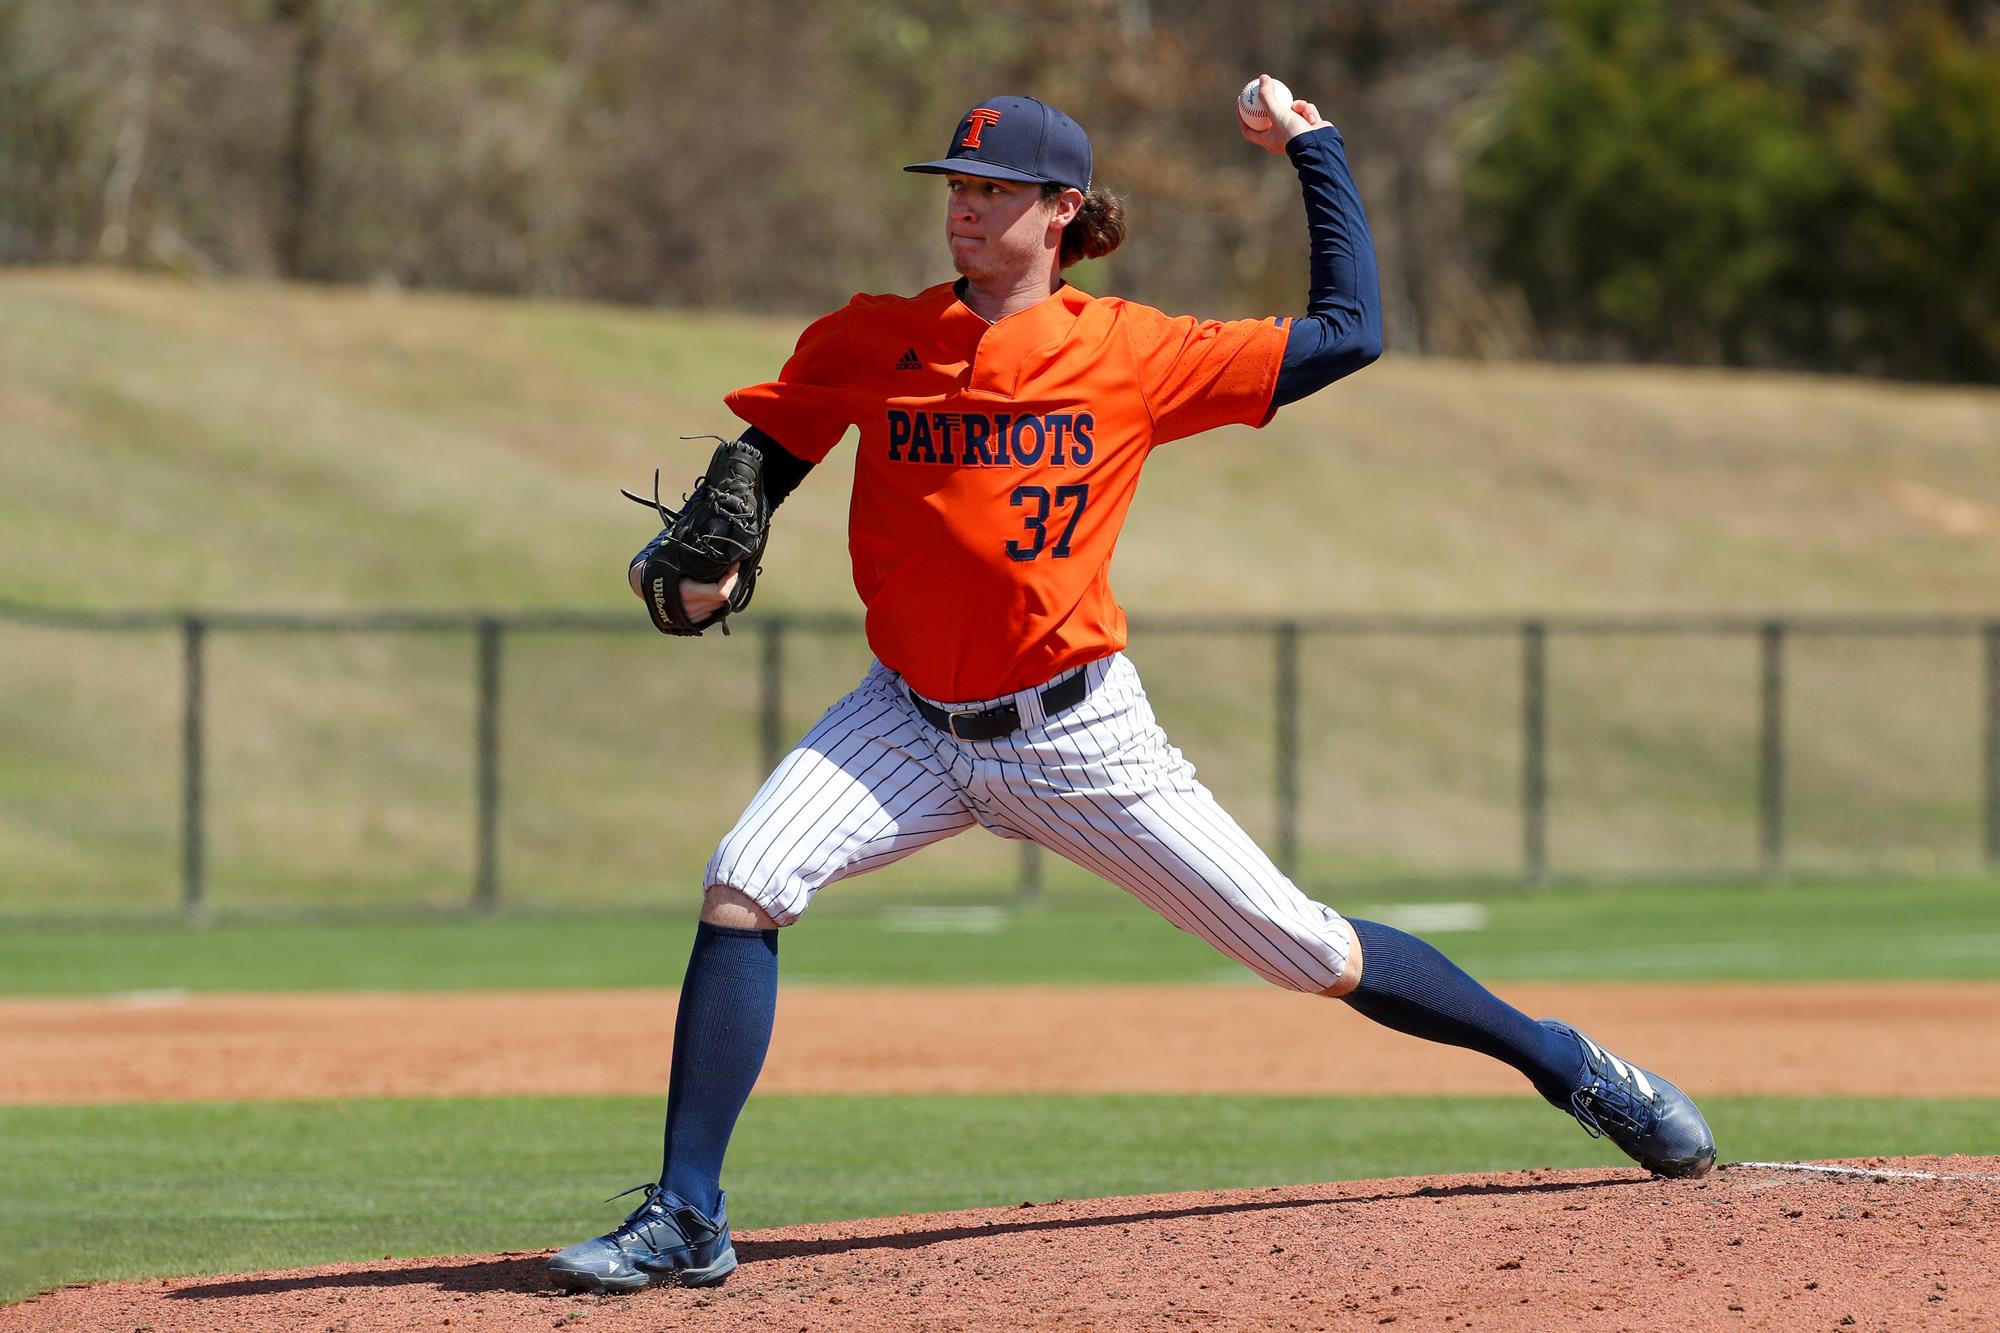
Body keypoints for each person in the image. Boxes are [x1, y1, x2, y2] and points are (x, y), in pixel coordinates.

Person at [548, 81, 1715, 1295]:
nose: (962, 208)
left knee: (1303, 949)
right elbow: (773, 452)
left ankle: (1566, 1065)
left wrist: (1314, 150)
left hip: (1075, 731)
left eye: (991, 190)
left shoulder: (1131, 354)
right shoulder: (870, 337)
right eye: (954, 186)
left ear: (1059, 211)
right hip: (903, 717)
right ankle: (687, 1215)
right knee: (745, 878)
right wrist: (721, 554)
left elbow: (1350, 330)